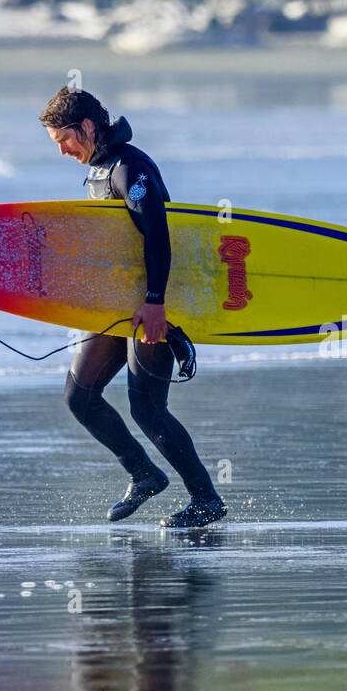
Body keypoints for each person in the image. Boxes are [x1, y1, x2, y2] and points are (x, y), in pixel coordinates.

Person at [40, 87, 226, 528]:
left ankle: (206, 499)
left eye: (64, 140)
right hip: (117, 305)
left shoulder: (129, 168)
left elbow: (157, 235)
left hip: (153, 304)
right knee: (79, 397)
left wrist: (156, 303)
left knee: (147, 409)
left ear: (86, 126)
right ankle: (143, 474)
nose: (63, 151)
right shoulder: (99, 168)